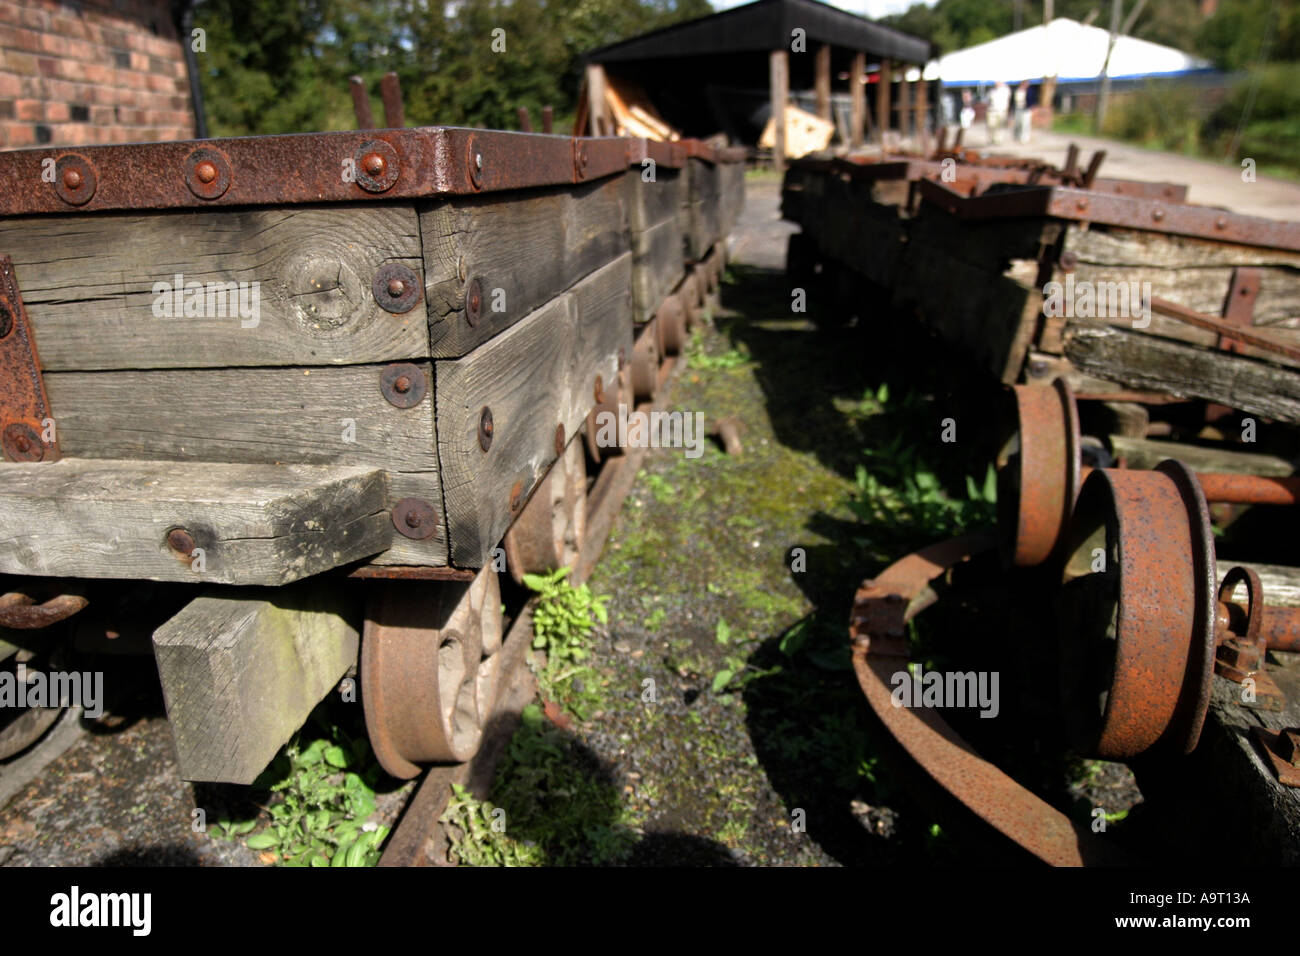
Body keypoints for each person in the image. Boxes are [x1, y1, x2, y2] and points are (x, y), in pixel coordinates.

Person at [986, 80, 1010, 145]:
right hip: (992, 111)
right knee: (991, 126)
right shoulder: (992, 91)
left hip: (1001, 111)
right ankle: (991, 139)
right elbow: (988, 101)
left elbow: (1007, 102)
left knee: (1000, 126)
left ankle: (998, 140)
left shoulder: (1005, 90)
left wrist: (1006, 111)